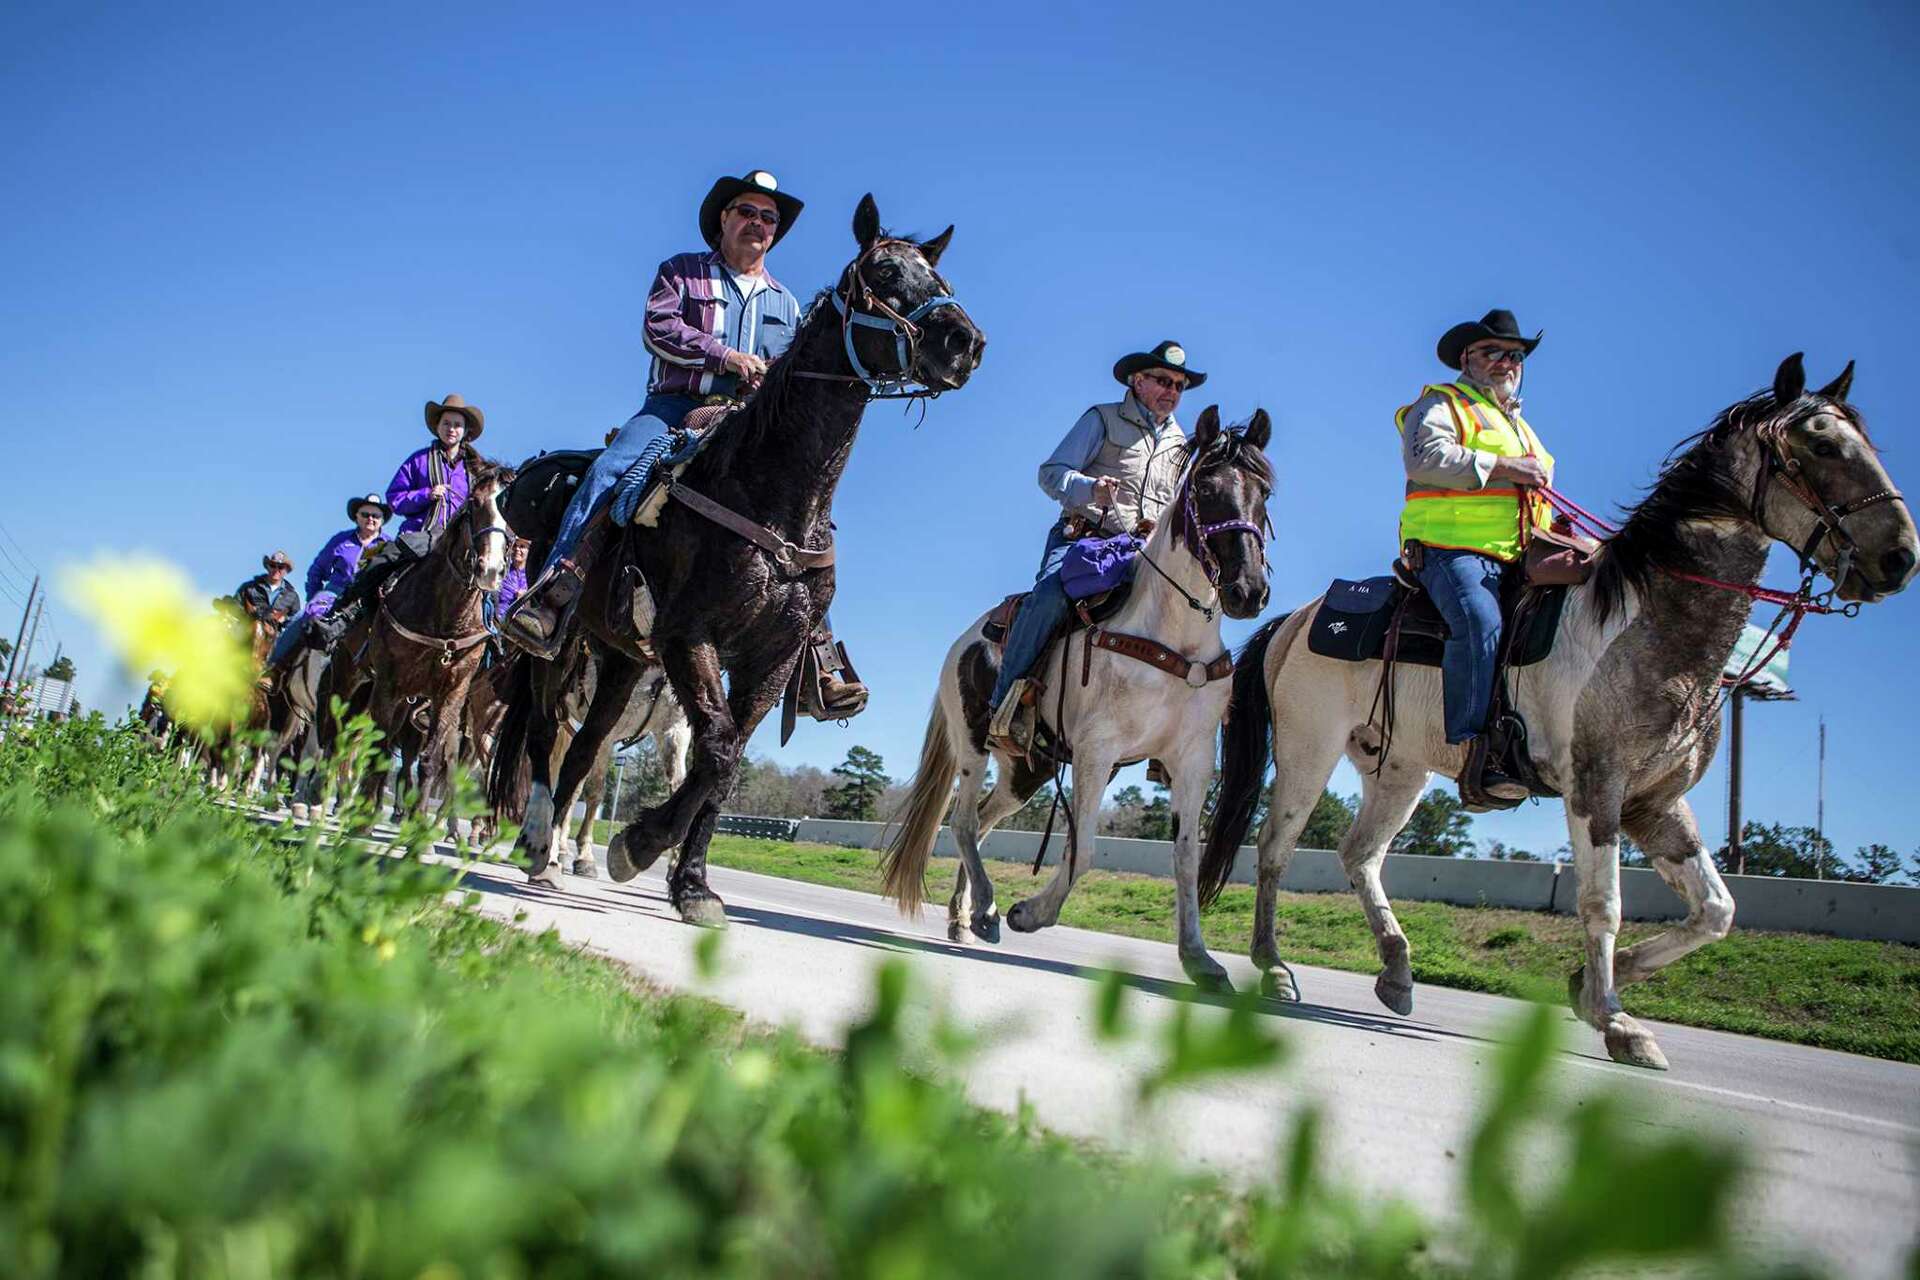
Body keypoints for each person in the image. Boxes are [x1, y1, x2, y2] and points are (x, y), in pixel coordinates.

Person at [503, 169, 867, 716]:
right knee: (612, 468)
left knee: (803, 519)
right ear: (724, 219)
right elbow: (659, 328)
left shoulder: (788, 304)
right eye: (747, 212)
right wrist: (728, 358)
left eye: (769, 218)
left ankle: (815, 660)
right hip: (674, 408)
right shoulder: (682, 272)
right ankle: (554, 594)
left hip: (749, 424)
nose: (758, 223)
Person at [986, 340, 1201, 750]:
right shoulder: (1102, 418)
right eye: (1163, 381)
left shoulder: (1180, 444)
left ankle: (1175, 735)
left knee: (1190, 608)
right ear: (1137, 381)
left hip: (1141, 553)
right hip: (1084, 542)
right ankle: (1005, 706)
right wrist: (1090, 489)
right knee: (1050, 597)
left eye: (1179, 385)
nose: (1171, 391)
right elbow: (1051, 473)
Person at [1394, 308, 1555, 804]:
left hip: (1518, 557)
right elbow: (1424, 459)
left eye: (1515, 355)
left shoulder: (1523, 429)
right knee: (1480, 621)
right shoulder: (1441, 403)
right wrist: (1507, 467)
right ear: (1466, 358)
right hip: (1449, 550)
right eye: (1493, 352)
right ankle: (1475, 752)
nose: (1507, 362)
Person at [305, 395, 483, 650]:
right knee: (379, 563)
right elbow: (395, 499)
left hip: (456, 543)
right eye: (446, 423)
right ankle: (345, 615)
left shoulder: (473, 471)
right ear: (437, 426)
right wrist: (426, 494)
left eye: (457, 424)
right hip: (419, 536)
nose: (451, 429)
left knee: (487, 577)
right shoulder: (419, 460)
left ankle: (493, 633)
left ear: (465, 431)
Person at [267, 493, 390, 667]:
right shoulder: (341, 540)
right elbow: (317, 570)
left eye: (375, 515)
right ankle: (273, 668)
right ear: (357, 517)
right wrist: (313, 598)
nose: (370, 519)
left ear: (382, 520)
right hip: (335, 593)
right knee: (301, 618)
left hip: (366, 598)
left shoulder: (389, 545)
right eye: (365, 514)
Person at [235, 551, 301, 626]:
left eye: (281, 567)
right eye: (273, 565)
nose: (276, 570)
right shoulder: (248, 588)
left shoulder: (293, 596)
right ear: (267, 567)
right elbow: (234, 608)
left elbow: (296, 621)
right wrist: (253, 615)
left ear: (286, 571)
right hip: (248, 630)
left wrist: (284, 619)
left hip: (278, 633)